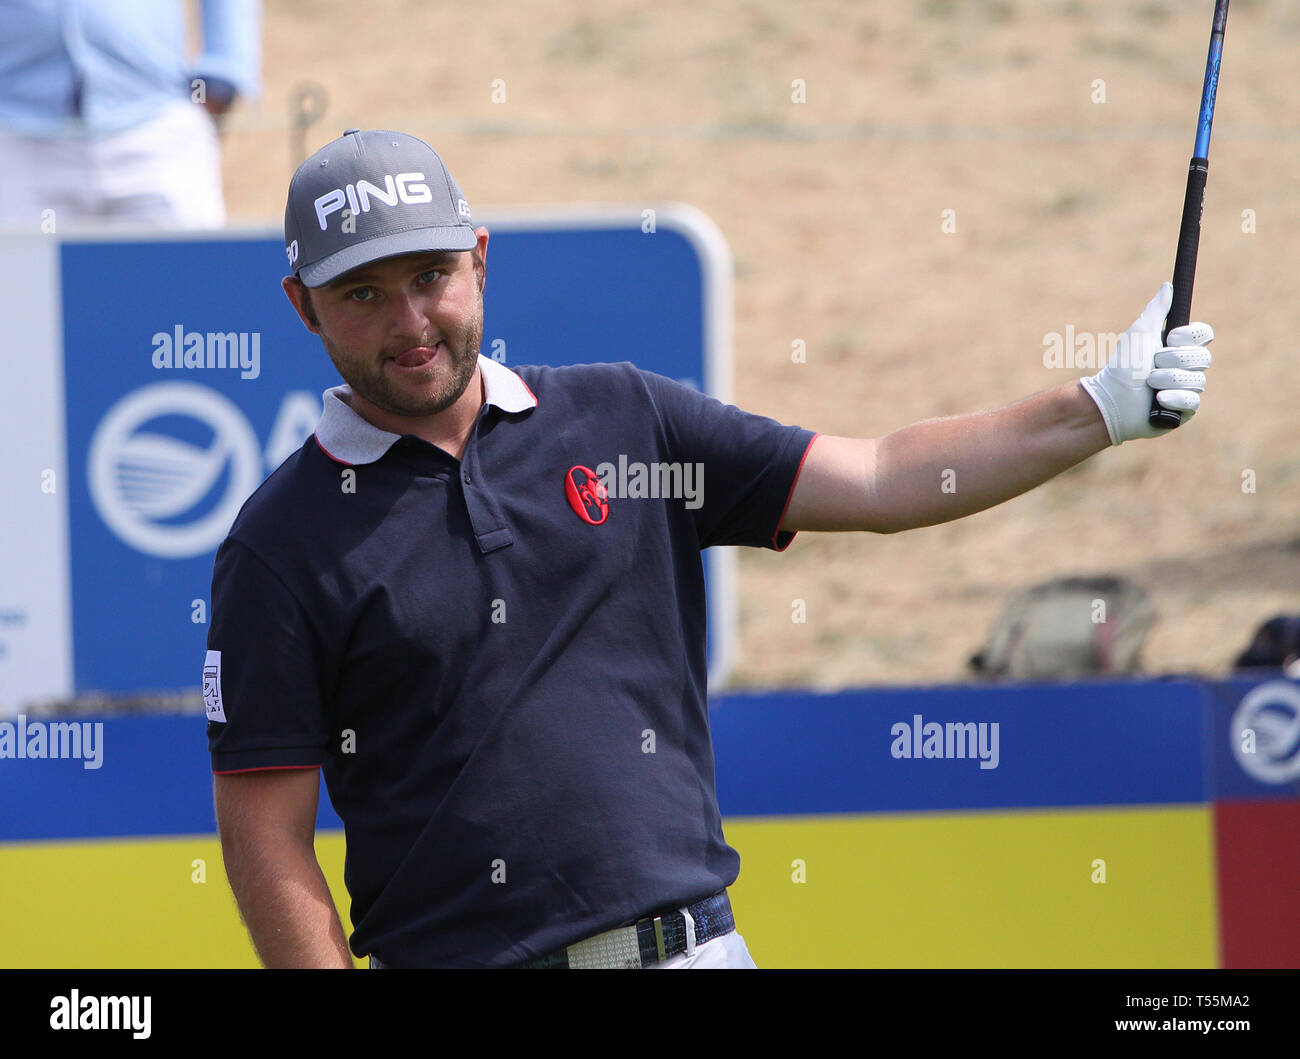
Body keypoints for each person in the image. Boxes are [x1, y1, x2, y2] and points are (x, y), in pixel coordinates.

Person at [205, 129, 1214, 969]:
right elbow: (263, 838)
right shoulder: (281, 544)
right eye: (364, 295)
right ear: (302, 306)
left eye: (431, 277)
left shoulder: (621, 417)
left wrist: (1096, 409)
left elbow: (878, 478)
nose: (412, 321)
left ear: (479, 257)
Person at [0, 0, 261, 230]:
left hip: (156, 123)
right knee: (19, 281)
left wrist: (223, 76)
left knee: (185, 276)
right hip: (14, 127)